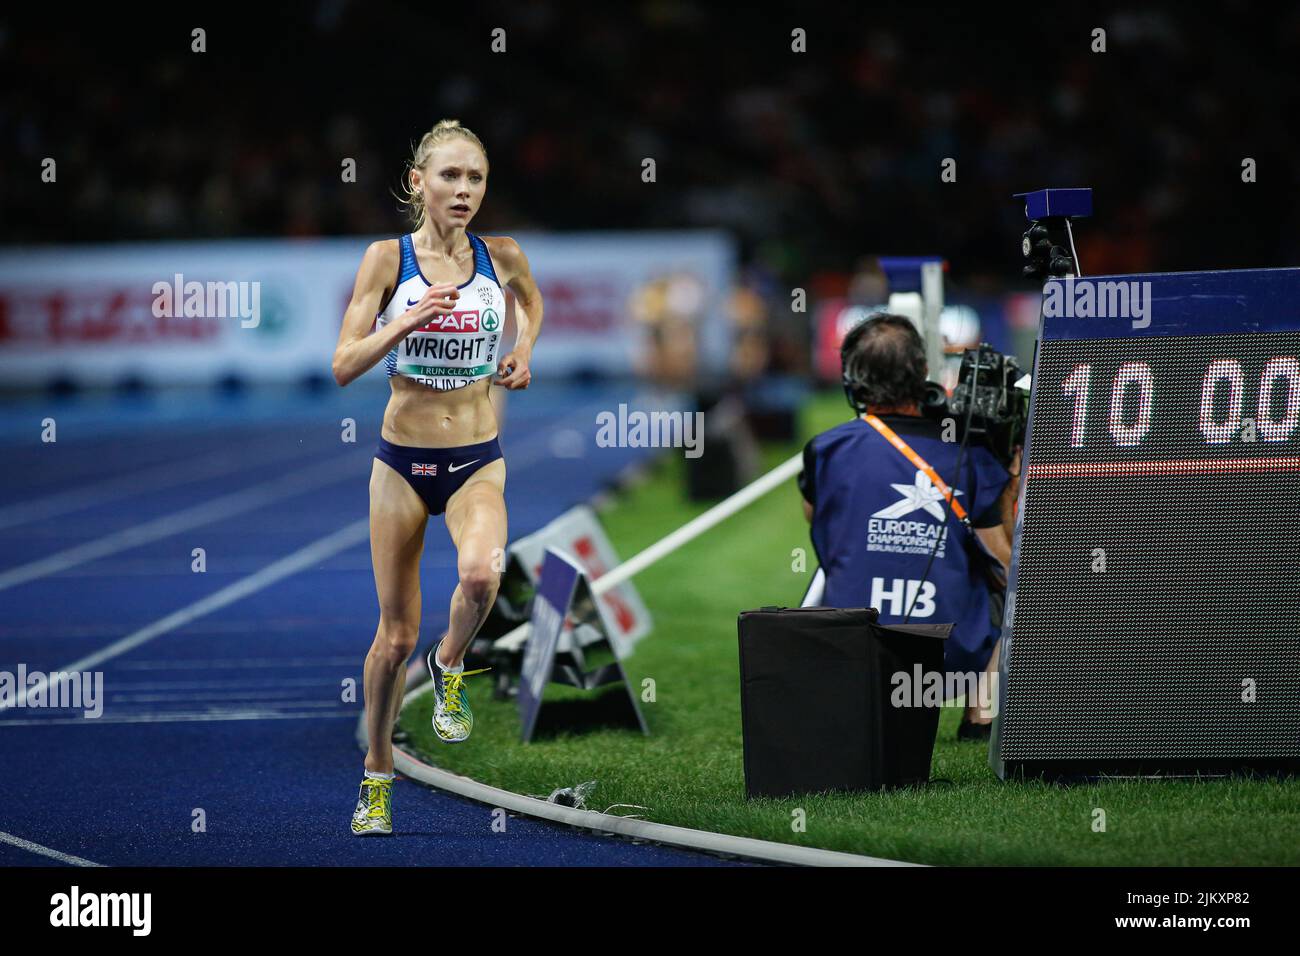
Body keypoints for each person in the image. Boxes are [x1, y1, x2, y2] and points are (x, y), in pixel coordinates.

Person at [332, 120, 543, 835]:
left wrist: (522, 348)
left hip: (477, 459)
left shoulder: (501, 254)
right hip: (400, 465)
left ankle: (451, 662)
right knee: (393, 639)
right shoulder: (385, 259)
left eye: (475, 178)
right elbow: (342, 366)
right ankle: (378, 774)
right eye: (450, 177)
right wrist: (405, 321)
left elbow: (530, 300)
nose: (463, 191)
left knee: (483, 576)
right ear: (417, 182)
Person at [798, 314, 1018, 740]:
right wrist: (1006, 485)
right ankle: (982, 714)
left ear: (853, 378)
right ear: (921, 372)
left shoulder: (826, 449)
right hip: (950, 662)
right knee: (1015, 579)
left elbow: (817, 520)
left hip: (851, 651)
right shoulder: (967, 454)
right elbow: (1003, 563)